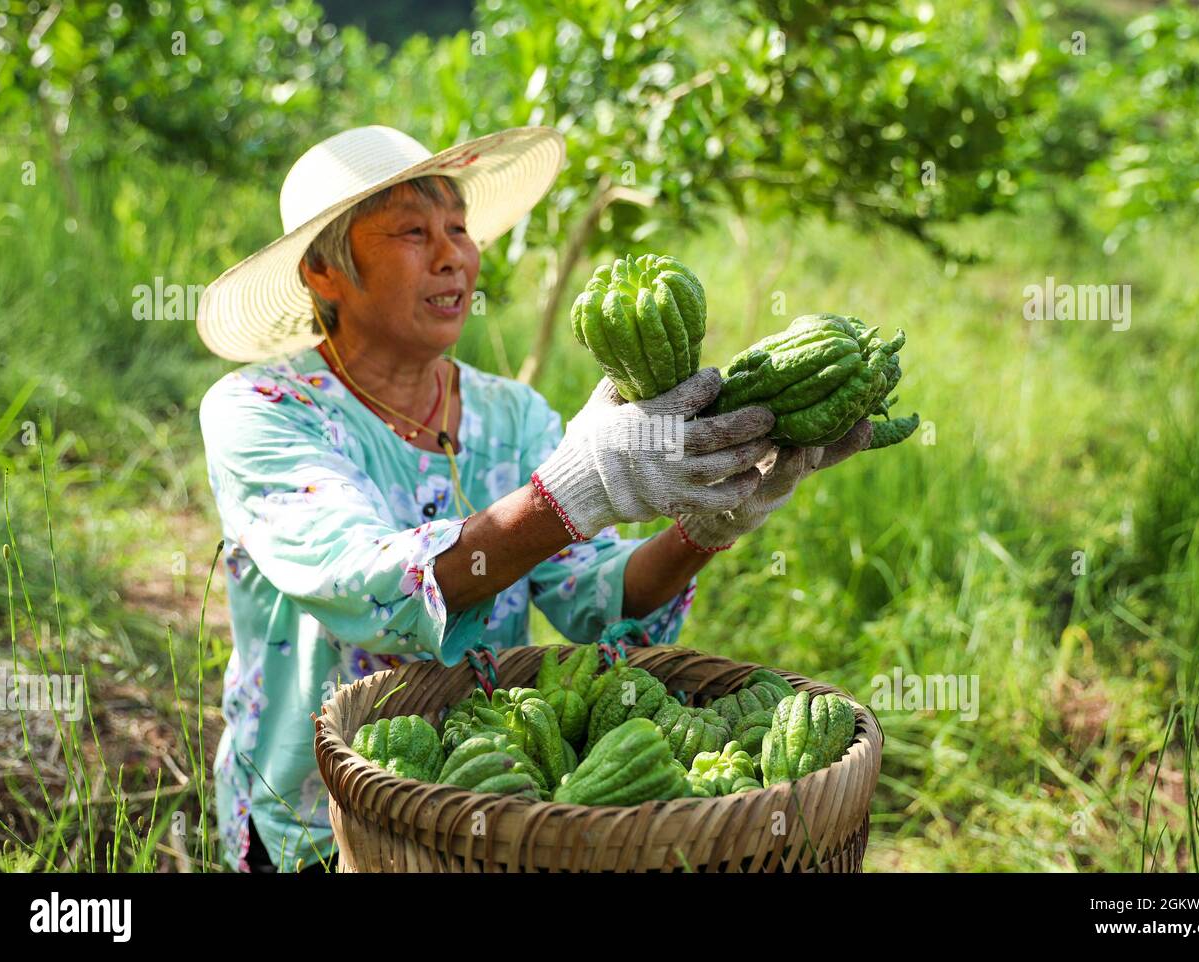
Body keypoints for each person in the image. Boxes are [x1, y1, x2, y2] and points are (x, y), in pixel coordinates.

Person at [195, 125, 872, 873]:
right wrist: (573, 491)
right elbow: (372, 587)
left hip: (500, 800)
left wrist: (707, 524)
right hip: (322, 818)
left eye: (459, 227)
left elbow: (596, 599)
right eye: (414, 232)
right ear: (325, 271)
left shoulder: (511, 415)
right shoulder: (262, 409)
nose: (453, 253)